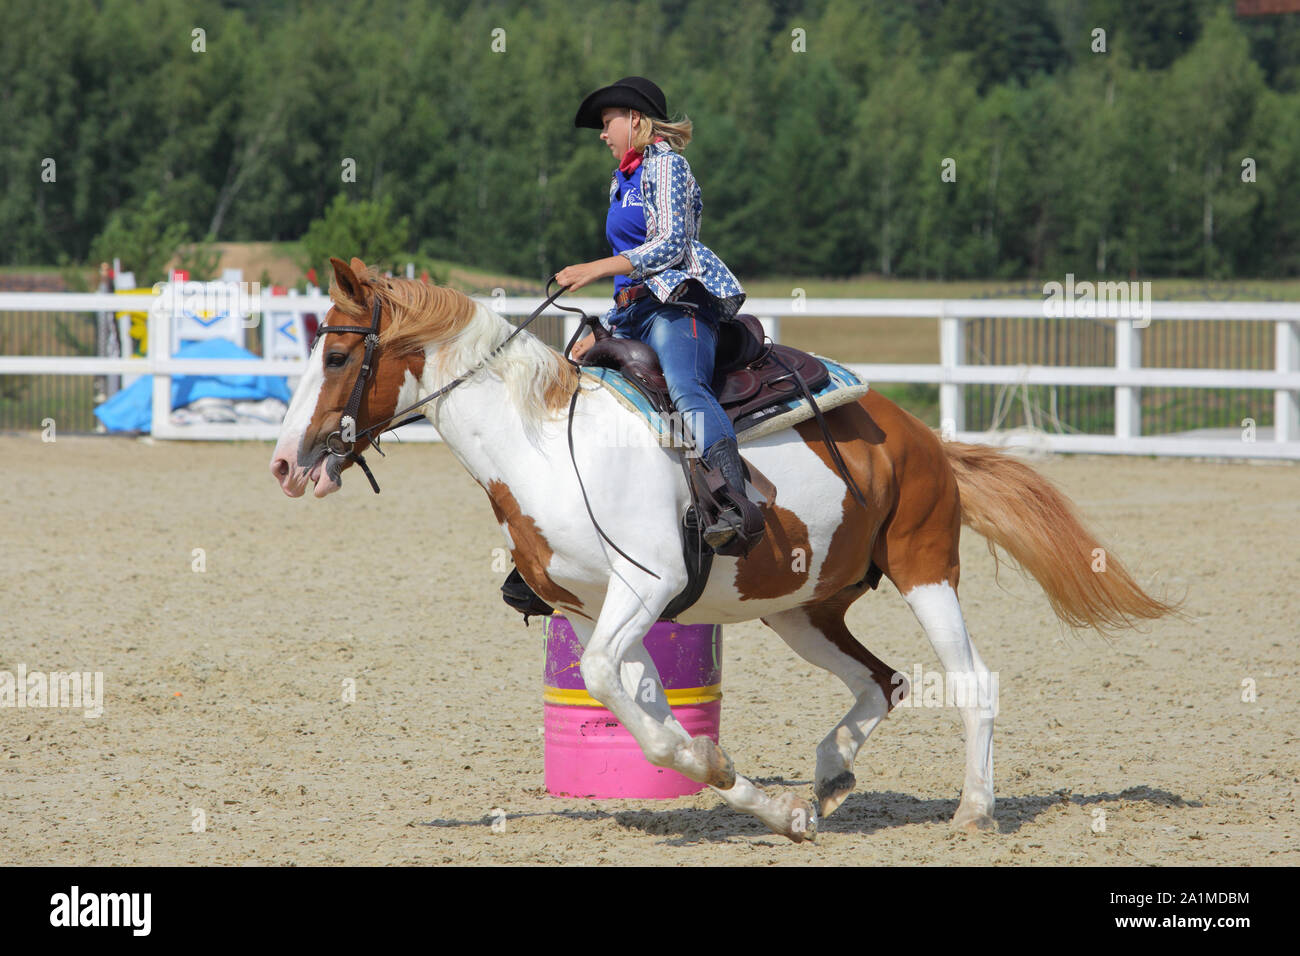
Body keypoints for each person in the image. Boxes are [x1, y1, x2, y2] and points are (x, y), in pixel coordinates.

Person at [556, 76, 763, 553]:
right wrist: (605, 327)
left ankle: (735, 500)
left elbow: (669, 245)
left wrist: (595, 268)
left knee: (687, 388)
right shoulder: (622, 178)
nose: (603, 135)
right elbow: (631, 267)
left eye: (607, 124)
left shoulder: (668, 166)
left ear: (634, 119)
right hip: (632, 312)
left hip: (676, 305)